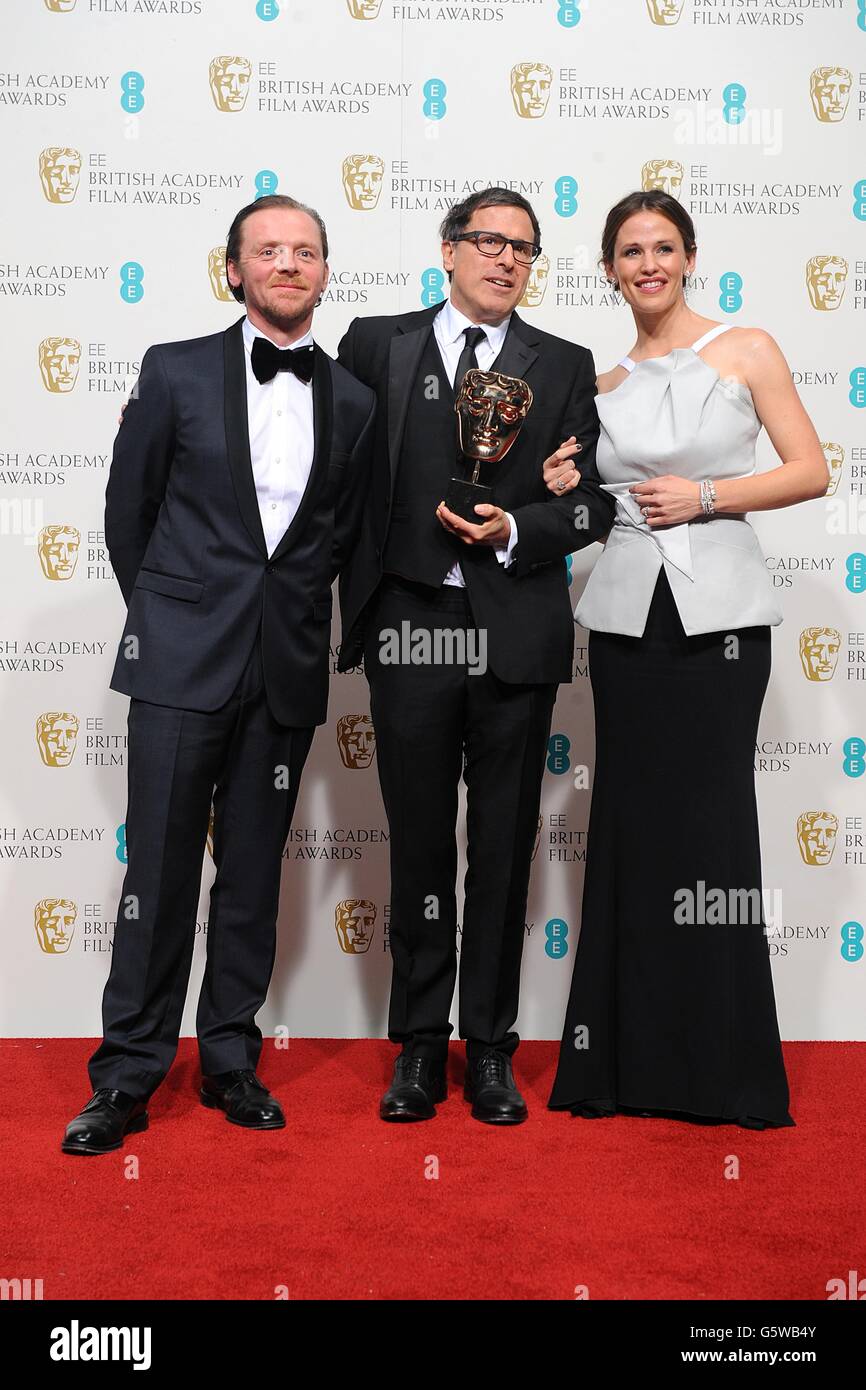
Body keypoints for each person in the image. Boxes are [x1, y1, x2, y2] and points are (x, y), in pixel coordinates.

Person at [62, 195, 375, 1155]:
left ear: (325, 272)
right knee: (156, 873)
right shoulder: (174, 369)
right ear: (232, 270)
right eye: (269, 250)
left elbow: (344, 538)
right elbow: (131, 513)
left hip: (281, 666)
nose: (289, 264)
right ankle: (126, 1075)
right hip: (179, 660)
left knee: (249, 878)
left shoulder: (355, 401)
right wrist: (171, 615)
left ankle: (231, 1058)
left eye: (307, 251)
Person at [543, 190, 827, 1129]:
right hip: (627, 627)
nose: (648, 263)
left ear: (690, 256)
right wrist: (565, 483)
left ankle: (725, 1071)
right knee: (628, 826)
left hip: (722, 627)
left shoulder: (746, 348)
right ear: (610, 268)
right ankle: (616, 1067)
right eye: (630, 251)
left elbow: (809, 470)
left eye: (663, 247)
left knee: (713, 829)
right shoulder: (601, 381)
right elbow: (589, 503)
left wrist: (704, 497)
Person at [337, 187, 615, 1124]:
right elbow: (336, 483)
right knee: (417, 849)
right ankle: (418, 1048)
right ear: (449, 249)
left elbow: (594, 507)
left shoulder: (566, 365)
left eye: (524, 250)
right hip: (411, 635)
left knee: (502, 851)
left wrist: (517, 528)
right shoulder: (375, 344)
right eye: (489, 242)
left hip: (514, 638)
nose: (506, 260)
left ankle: (490, 1049)